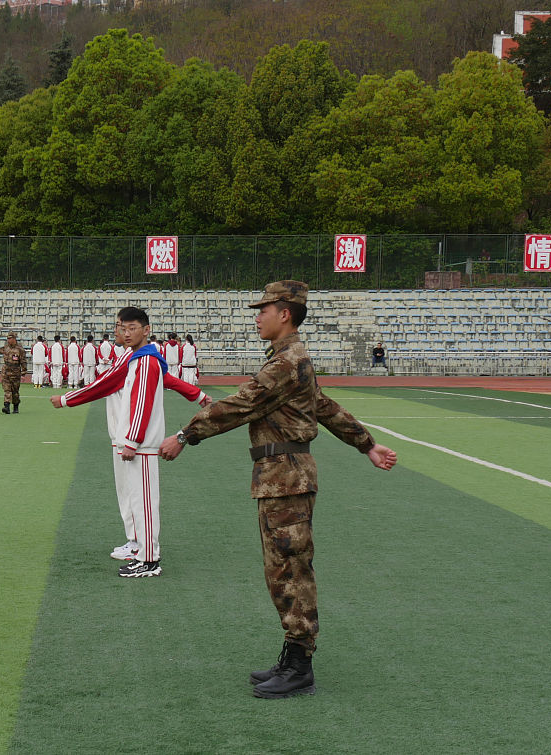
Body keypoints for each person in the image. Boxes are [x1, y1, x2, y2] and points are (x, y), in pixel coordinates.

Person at [158, 280, 398, 699]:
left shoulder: (286, 363)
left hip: (286, 476)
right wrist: (367, 444)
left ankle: (300, 665)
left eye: (263, 309)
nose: (257, 316)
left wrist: (185, 434)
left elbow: (241, 404)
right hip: (279, 474)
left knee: (290, 569)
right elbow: (324, 406)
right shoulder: (290, 359)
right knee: (281, 568)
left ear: (284, 313)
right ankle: (292, 654)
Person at [51, 308, 209, 578]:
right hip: (130, 438)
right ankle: (140, 548)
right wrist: (196, 394)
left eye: (131, 327)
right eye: (121, 327)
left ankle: (149, 559)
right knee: (134, 498)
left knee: (143, 500)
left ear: (146, 330)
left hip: (141, 443)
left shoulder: (145, 359)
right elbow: (157, 382)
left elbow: (141, 403)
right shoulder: (136, 357)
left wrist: (133, 441)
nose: (125, 332)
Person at [0, 332, 27, 414]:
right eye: (7, 339)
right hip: (6, 372)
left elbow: (23, 362)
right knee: (7, 390)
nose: (8, 340)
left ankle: (15, 407)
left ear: (14, 339)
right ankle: (6, 406)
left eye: (10, 339)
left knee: (15, 392)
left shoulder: (20, 350)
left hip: (15, 372)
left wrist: (23, 374)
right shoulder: (6, 348)